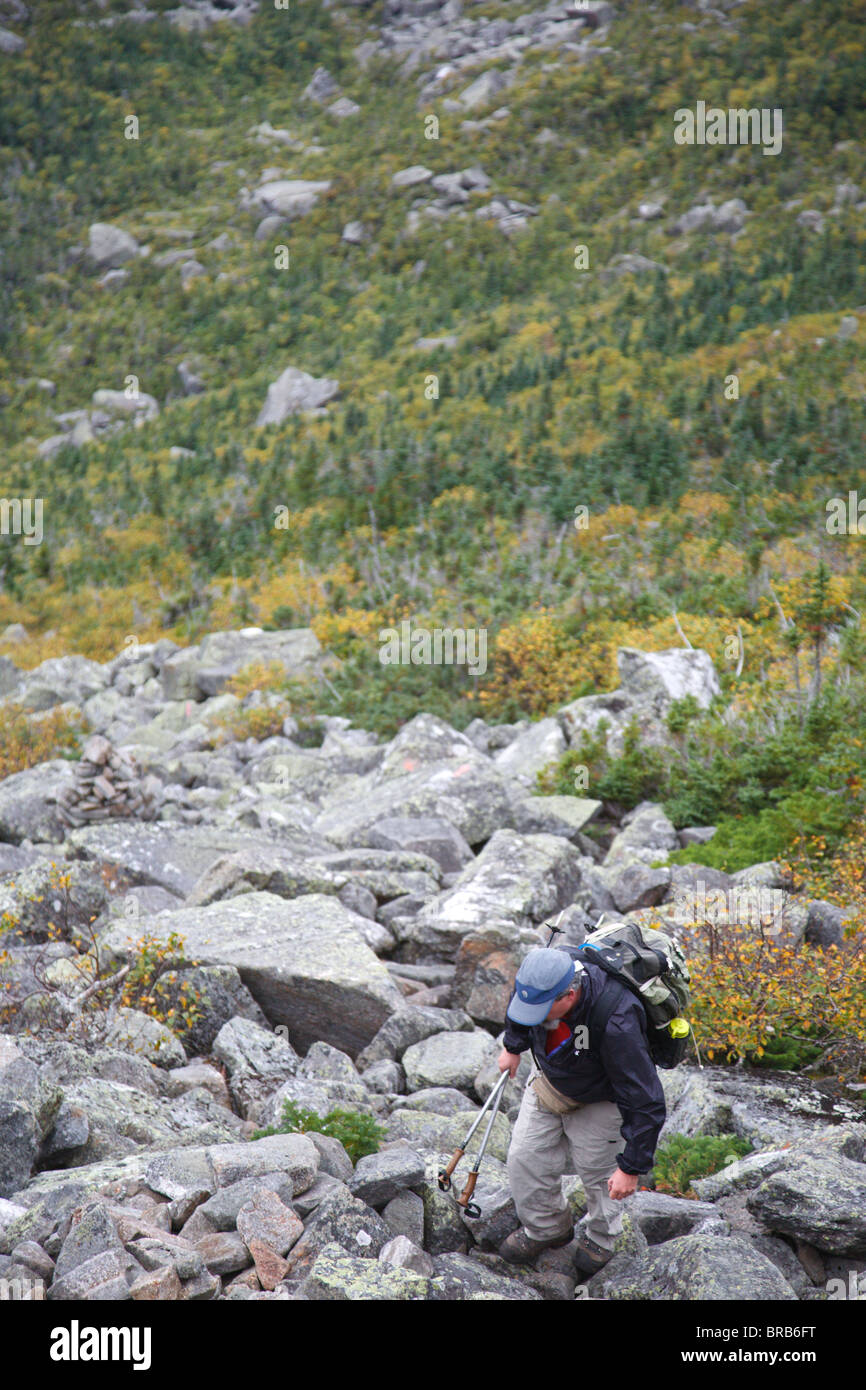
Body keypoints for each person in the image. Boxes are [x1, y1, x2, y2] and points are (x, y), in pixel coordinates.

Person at [496, 946, 666, 1275]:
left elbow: (646, 1099)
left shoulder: (617, 1018)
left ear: (570, 994)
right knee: (524, 1157)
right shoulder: (539, 983)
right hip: (550, 1077)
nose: (535, 1014)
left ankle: (602, 1239)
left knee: (601, 1176)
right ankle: (547, 1229)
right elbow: (522, 1006)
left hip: (602, 1097)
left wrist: (632, 1167)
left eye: (542, 1010)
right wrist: (513, 1046)